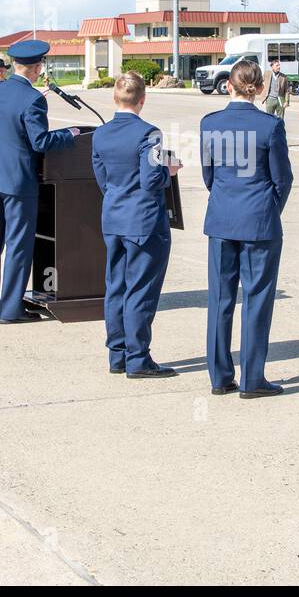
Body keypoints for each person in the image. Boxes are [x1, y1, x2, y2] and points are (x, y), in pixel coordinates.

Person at [199, 59, 294, 397]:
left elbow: (208, 176)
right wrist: (269, 210)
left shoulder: (210, 124)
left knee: (220, 299)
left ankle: (220, 377)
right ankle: (253, 379)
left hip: (222, 219)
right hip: (258, 222)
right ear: (258, 88)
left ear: (229, 85)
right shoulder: (270, 126)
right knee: (256, 299)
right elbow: (283, 179)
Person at [0, 39, 79, 323]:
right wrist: (69, 134)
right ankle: (10, 309)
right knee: (19, 244)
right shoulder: (33, 99)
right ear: (36, 68)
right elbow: (40, 141)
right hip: (18, 179)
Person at [91, 72, 180, 379]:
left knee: (115, 287)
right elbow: (152, 178)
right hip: (143, 220)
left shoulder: (100, 134)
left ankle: (117, 354)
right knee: (140, 290)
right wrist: (170, 169)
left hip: (113, 217)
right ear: (142, 100)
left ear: (115, 98)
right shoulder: (149, 133)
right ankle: (138, 357)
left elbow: (102, 178)